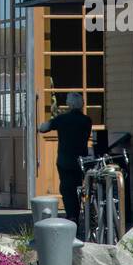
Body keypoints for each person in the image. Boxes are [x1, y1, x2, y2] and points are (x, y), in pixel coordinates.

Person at [38, 92, 92, 233]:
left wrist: (43, 123)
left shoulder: (62, 119)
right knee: (80, 187)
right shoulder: (87, 120)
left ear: (69, 104)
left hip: (65, 160)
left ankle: (72, 216)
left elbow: (43, 128)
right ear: (82, 104)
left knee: (67, 189)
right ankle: (80, 213)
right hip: (81, 161)